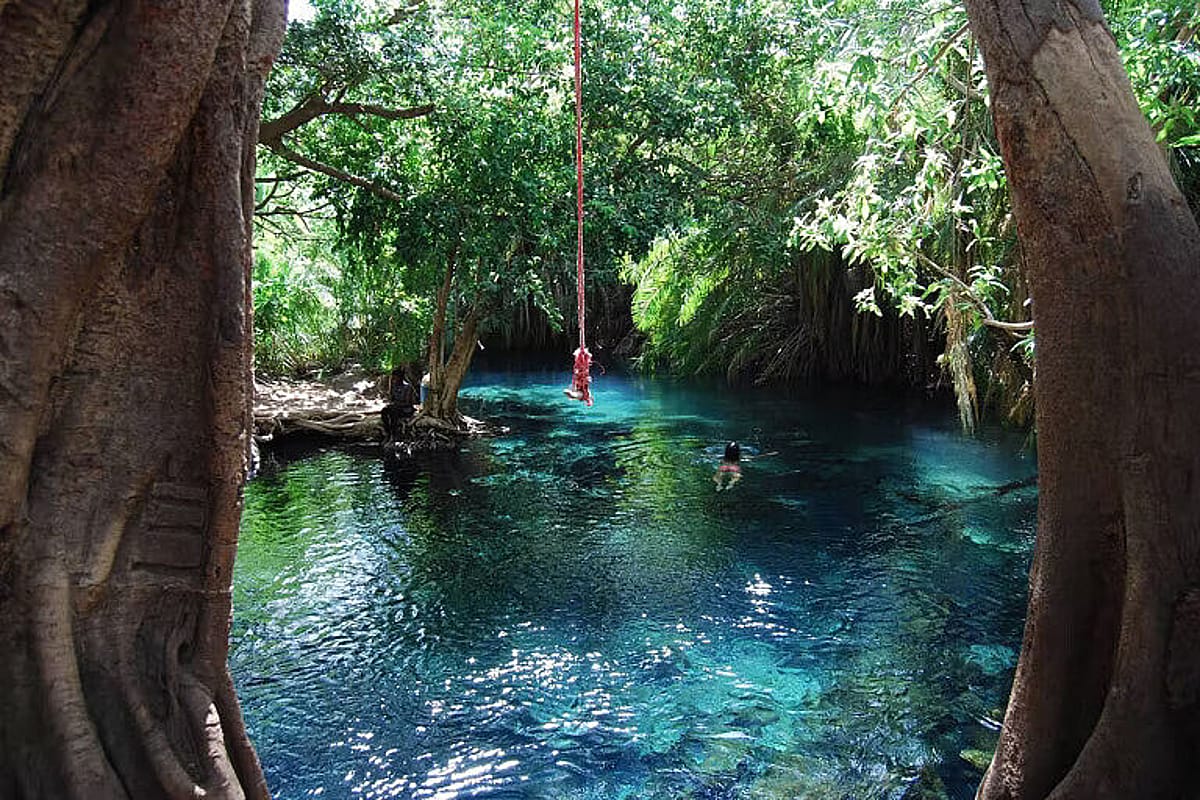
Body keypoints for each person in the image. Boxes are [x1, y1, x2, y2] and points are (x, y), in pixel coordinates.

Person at [381, 366, 420, 440]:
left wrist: (396, 405)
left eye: (395, 378)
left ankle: (394, 434)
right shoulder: (394, 387)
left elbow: (408, 403)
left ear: (401, 378)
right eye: (393, 378)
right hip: (396, 407)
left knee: (394, 412)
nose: (394, 380)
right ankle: (388, 431)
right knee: (384, 411)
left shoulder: (407, 387)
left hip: (406, 409)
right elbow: (393, 399)